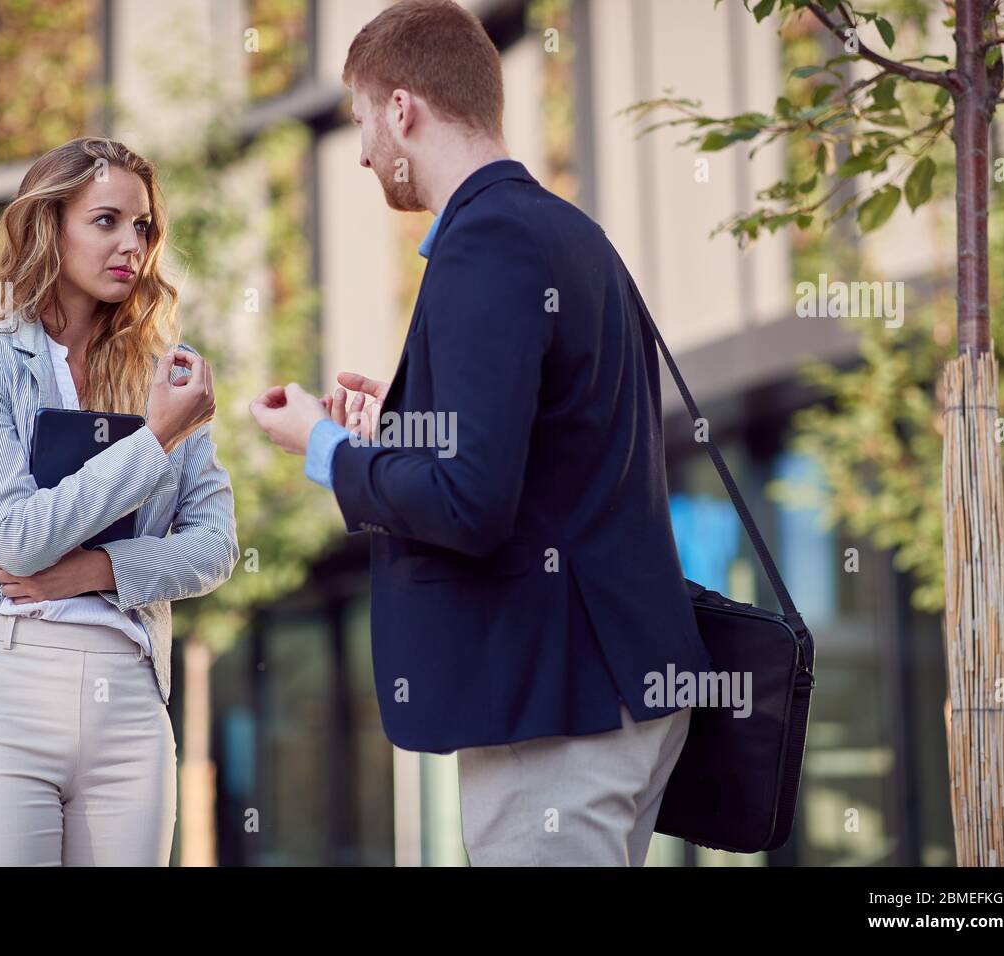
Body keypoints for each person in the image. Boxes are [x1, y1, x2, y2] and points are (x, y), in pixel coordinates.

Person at [250, 0, 710, 866]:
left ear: (401, 108)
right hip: (609, 687)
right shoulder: (567, 230)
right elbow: (549, 444)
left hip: (555, 706)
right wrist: (406, 422)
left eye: (358, 121)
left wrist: (326, 449)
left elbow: (471, 504)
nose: (358, 153)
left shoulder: (483, 241)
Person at [0, 136, 238, 866]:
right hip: (3, 685)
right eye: (107, 221)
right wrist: (152, 440)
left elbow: (214, 546)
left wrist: (97, 570)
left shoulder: (170, 376)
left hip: (129, 697)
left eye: (143, 227)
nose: (132, 243)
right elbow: (17, 539)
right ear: (49, 226)